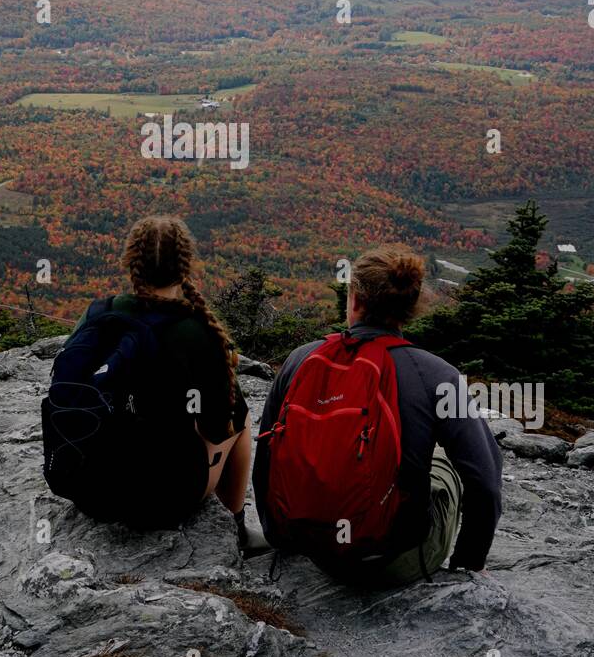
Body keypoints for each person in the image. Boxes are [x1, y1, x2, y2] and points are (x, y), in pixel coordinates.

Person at [253, 245, 502, 584]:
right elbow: (485, 481)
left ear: (355, 300)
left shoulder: (302, 360)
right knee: (448, 460)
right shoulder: (437, 375)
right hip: (392, 560)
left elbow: (266, 457)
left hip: (315, 551)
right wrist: (469, 563)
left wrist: (281, 538)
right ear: (410, 308)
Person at [66, 215, 268, 551]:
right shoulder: (196, 333)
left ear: (131, 260)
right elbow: (220, 427)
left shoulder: (97, 315)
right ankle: (236, 528)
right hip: (163, 501)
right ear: (185, 265)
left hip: (90, 489)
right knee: (242, 416)